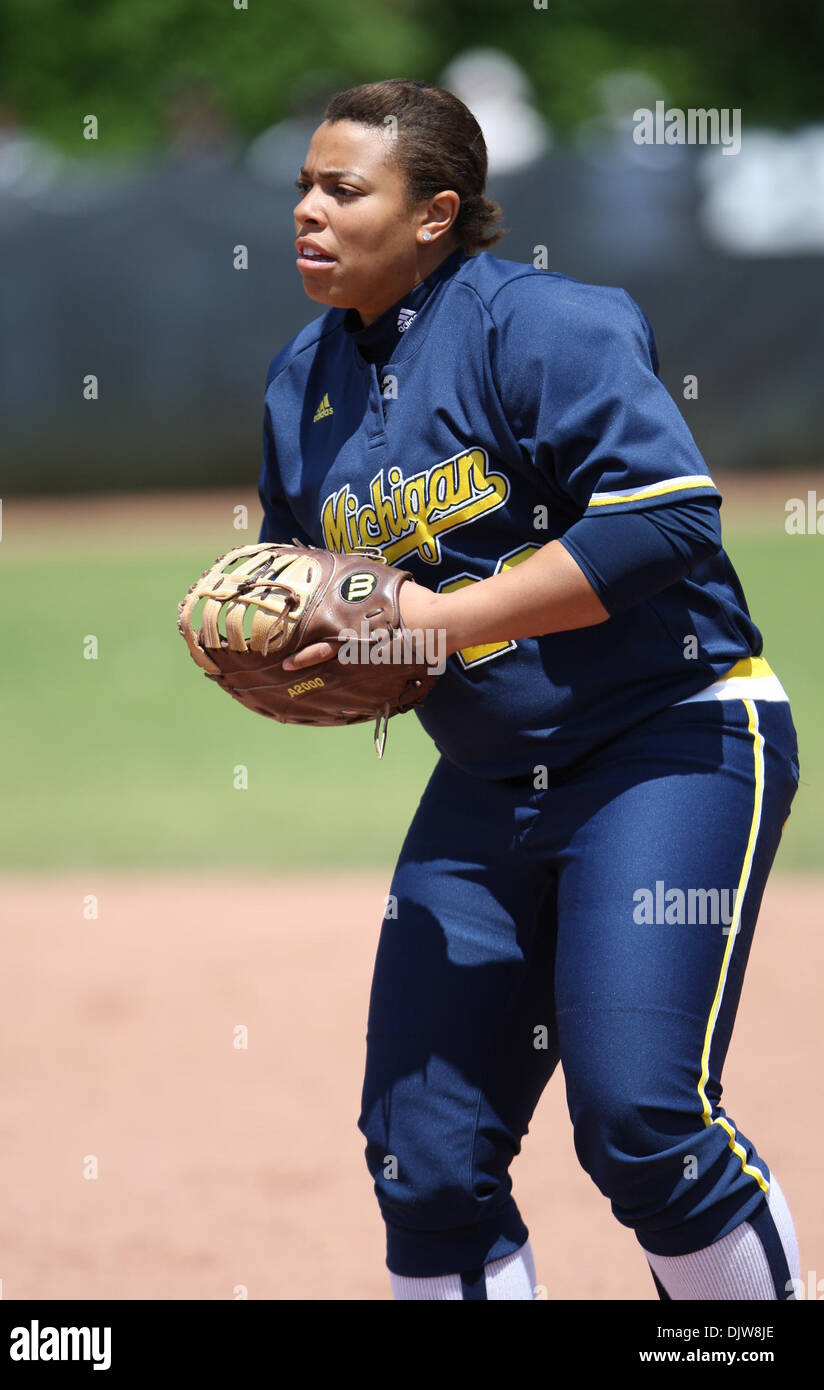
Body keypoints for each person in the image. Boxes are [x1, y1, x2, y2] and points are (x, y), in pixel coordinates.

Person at [257, 79, 801, 1301]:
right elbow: (330, 587)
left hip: (671, 740)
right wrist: (310, 648)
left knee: (642, 1121)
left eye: (345, 189)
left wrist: (436, 622)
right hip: (491, 774)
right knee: (425, 1155)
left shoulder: (545, 324)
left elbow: (666, 524)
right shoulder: (304, 383)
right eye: (303, 184)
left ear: (437, 212)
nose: (308, 209)